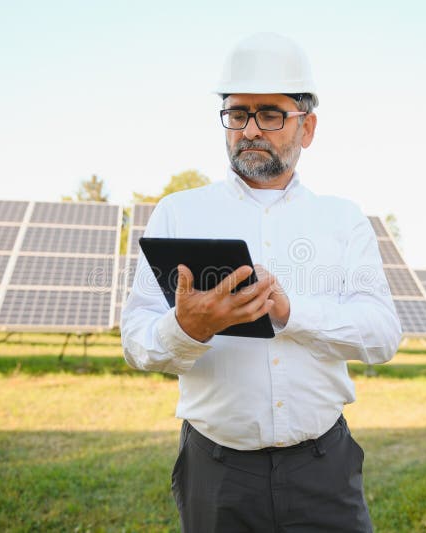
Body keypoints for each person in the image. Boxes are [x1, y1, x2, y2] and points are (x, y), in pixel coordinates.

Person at [120, 32, 402, 532]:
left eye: (270, 114)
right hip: (217, 473)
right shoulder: (179, 213)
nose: (250, 129)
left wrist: (291, 314)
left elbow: (382, 336)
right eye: (237, 113)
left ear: (307, 126)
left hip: (324, 469)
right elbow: (137, 344)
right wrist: (186, 329)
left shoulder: (343, 220)